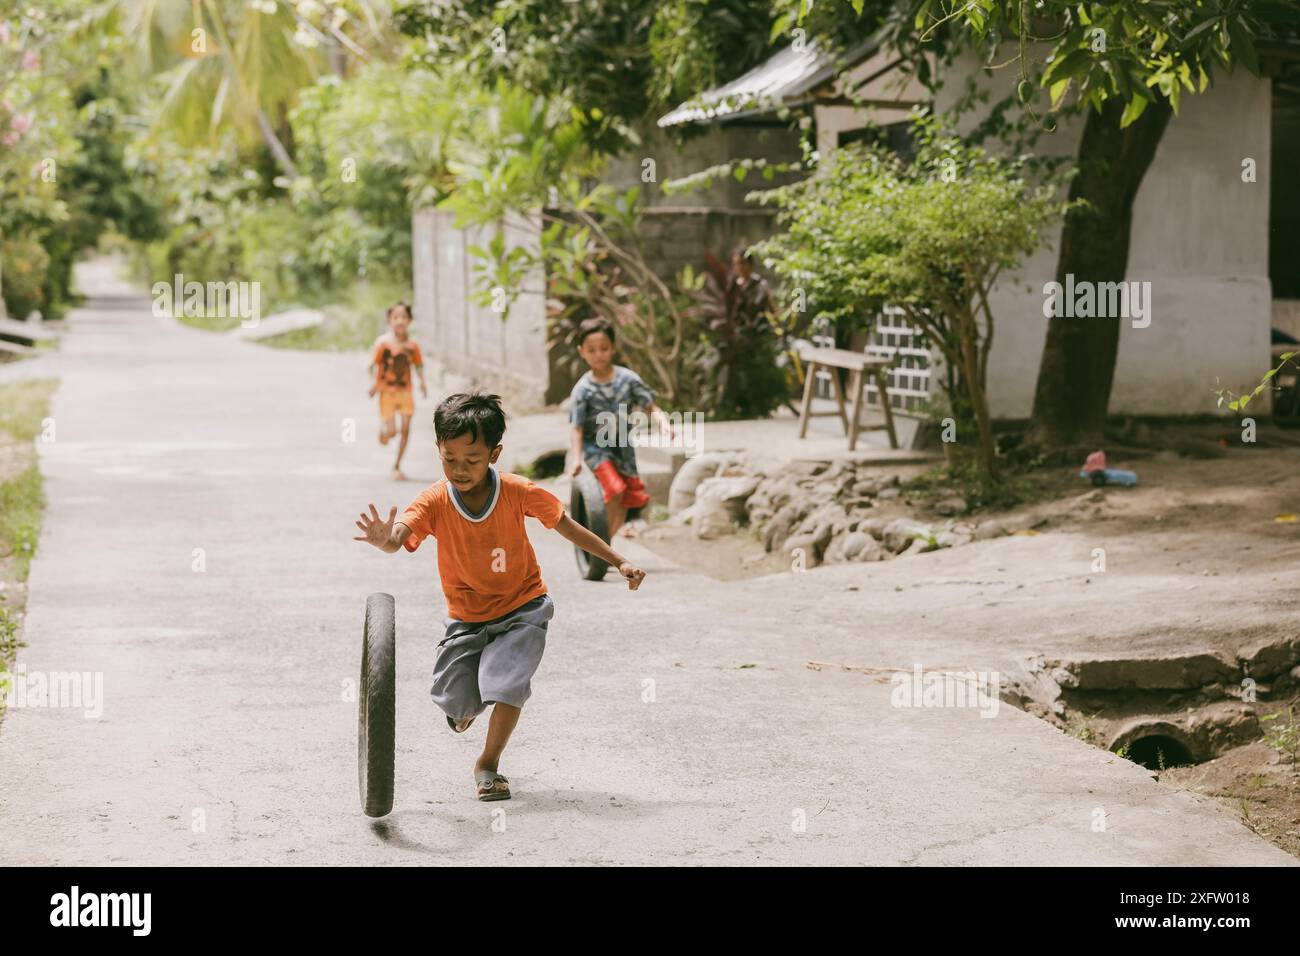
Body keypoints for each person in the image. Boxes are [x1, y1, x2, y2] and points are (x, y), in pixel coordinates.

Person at [354, 391, 646, 801]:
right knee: (458, 707)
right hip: (466, 618)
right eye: (449, 458)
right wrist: (385, 540)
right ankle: (464, 713)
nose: (459, 469)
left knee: (508, 686)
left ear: (495, 453)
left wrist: (619, 560)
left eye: (471, 460)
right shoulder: (435, 500)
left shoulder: (517, 491)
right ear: (438, 449)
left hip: (522, 607)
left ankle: (487, 764)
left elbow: (567, 525)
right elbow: (400, 536)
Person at [567, 318, 673, 539]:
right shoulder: (582, 390)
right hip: (596, 449)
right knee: (615, 489)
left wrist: (664, 424)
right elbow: (576, 427)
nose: (599, 354)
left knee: (624, 497)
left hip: (624, 448)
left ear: (613, 348)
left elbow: (651, 406)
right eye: (592, 350)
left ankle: (604, 546)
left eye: (604, 348)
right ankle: (596, 540)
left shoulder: (628, 379)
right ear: (582, 351)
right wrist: (577, 459)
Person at [368, 301, 427, 480]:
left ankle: (397, 465)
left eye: (403, 317)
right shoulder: (383, 343)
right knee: (393, 432)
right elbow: (373, 365)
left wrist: (423, 382)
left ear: (409, 320)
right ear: (390, 320)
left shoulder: (412, 345)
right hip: (387, 392)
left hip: (405, 392)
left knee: (406, 428)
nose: (400, 321)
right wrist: (374, 383)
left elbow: (418, 365)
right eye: (395, 317)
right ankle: (385, 430)